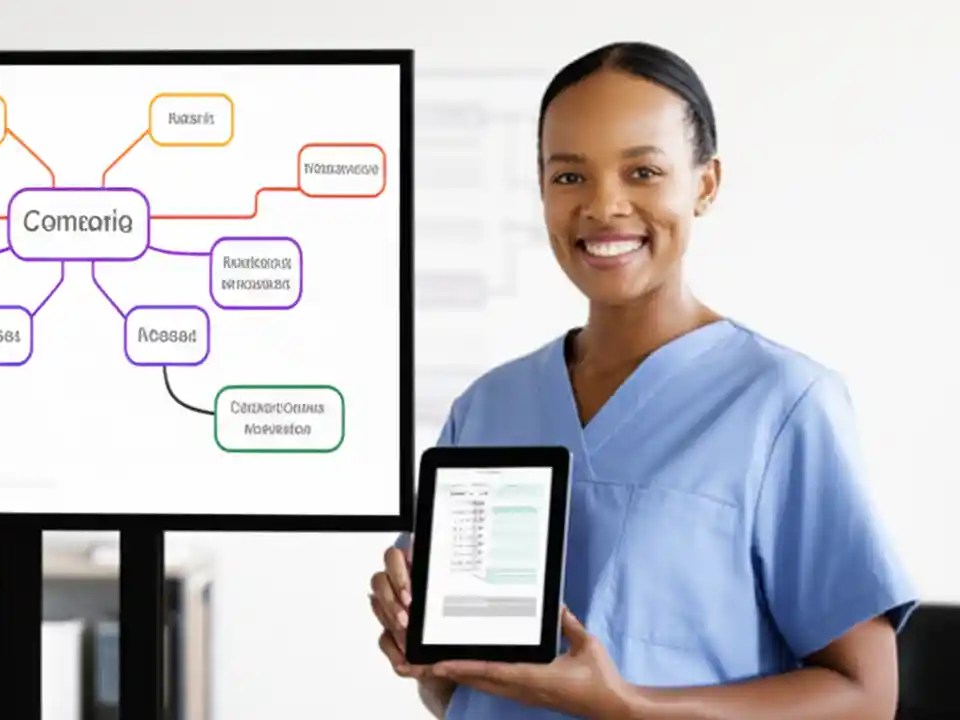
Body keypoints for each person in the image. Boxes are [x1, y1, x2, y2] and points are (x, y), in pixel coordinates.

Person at [369, 41, 917, 720]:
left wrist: (629, 704)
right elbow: (458, 692)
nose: (604, 206)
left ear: (705, 185)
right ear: (540, 188)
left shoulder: (782, 405)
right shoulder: (488, 405)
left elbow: (867, 696)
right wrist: (422, 651)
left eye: (644, 172)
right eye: (570, 177)